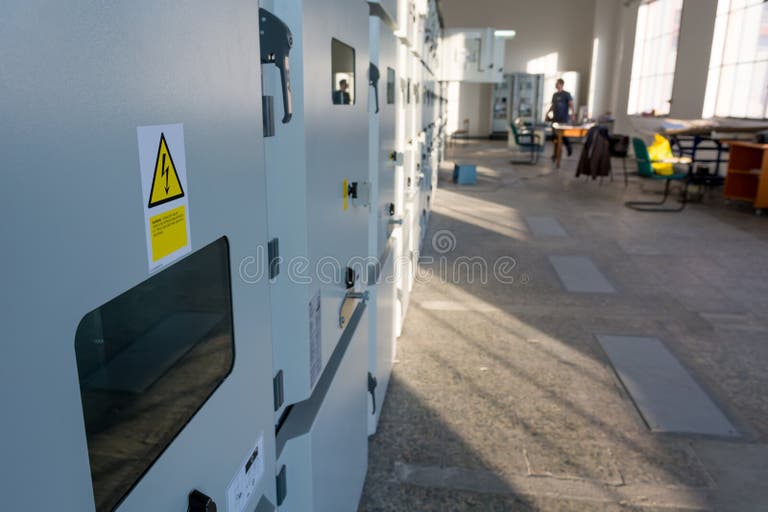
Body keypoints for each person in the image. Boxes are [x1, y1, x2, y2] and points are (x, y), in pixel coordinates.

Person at [547, 78, 575, 158]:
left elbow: (571, 104)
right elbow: (553, 105)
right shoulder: (554, 95)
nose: (556, 85)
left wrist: (573, 115)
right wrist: (548, 112)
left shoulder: (566, 94)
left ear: (561, 84)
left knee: (563, 136)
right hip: (555, 119)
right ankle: (556, 153)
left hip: (563, 119)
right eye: (555, 83)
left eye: (557, 83)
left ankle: (568, 146)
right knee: (554, 137)